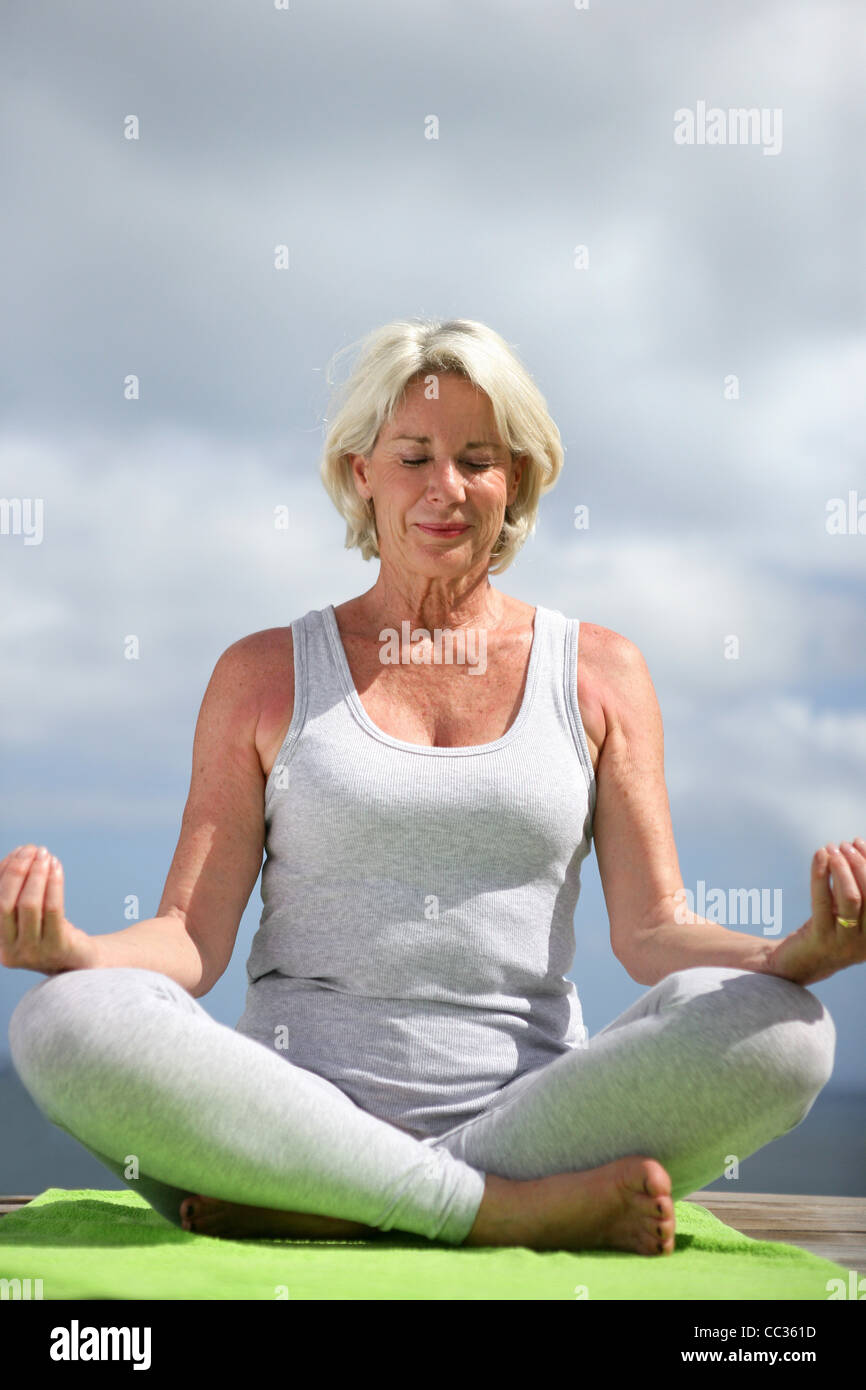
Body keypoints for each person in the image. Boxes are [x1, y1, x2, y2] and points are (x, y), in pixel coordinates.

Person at [4, 318, 860, 1255]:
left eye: (478, 459)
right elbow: (190, 939)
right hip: (292, 1113)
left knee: (789, 1032)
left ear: (519, 479)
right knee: (64, 1017)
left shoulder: (603, 673)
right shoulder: (262, 674)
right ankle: (494, 1214)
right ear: (359, 472)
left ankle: (341, 1201)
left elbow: (654, 931)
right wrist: (77, 948)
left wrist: (793, 952)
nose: (445, 489)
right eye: (413, 455)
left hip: (532, 1125)